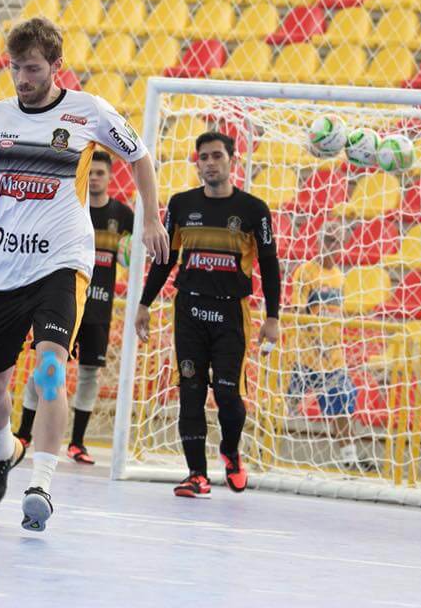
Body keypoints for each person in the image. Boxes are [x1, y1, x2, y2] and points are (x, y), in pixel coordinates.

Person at [0, 17, 168, 531]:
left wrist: (151, 216)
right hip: (4, 267)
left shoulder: (88, 111)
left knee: (50, 367)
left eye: (32, 69)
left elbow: (139, 156)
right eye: (15, 68)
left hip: (62, 262)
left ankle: (42, 485)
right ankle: (5, 451)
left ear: (56, 67)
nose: (22, 79)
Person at [135, 131, 281, 499]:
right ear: (197, 162)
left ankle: (230, 452)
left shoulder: (253, 210)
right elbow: (164, 259)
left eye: (217, 155)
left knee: (229, 396)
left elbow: (269, 264)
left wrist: (273, 316)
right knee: (191, 391)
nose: (210, 162)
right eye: (204, 157)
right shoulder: (181, 204)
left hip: (232, 312)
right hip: (189, 311)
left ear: (233, 160)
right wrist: (143, 304)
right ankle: (196, 474)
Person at [13, 149, 134, 465]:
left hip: (98, 307)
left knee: (89, 373)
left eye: (100, 173)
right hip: (63, 302)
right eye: (90, 172)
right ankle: (24, 433)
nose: (94, 178)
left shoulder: (123, 216)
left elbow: (134, 255)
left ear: (110, 176)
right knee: (47, 367)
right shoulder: (69, 209)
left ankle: (77, 442)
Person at [285, 220, 367, 471]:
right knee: (285, 403)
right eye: (328, 240)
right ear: (319, 242)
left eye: (336, 241)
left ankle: (349, 458)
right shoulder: (306, 272)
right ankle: (257, 446)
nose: (332, 245)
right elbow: (298, 310)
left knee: (342, 404)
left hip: (332, 358)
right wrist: (315, 339)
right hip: (306, 355)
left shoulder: (340, 277)